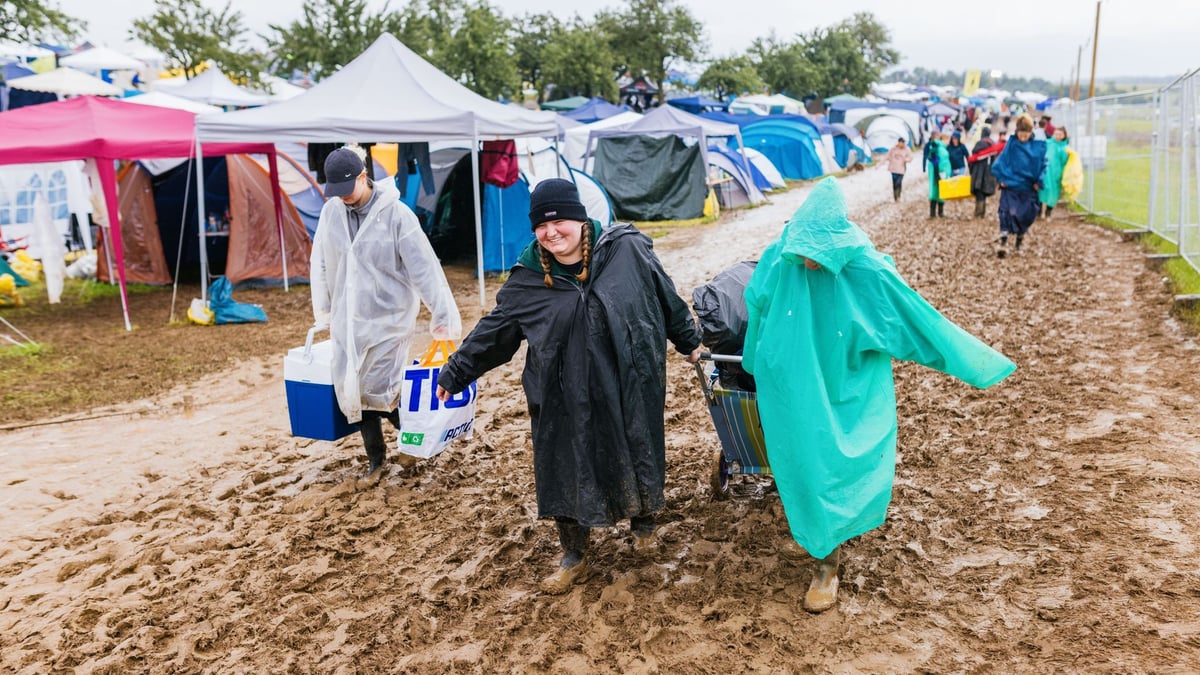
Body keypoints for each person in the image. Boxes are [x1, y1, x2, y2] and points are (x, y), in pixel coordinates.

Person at [741, 177, 1016, 613]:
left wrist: (975, 361)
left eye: (818, 252)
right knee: (797, 463)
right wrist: (756, 361)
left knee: (831, 465)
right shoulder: (781, 256)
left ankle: (826, 564)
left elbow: (918, 319)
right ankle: (815, 537)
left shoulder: (866, 270)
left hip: (845, 385)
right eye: (803, 251)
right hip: (791, 385)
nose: (808, 261)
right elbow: (757, 302)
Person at [434, 179, 703, 595]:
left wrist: (689, 340)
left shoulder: (625, 250)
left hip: (629, 380)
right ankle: (574, 554)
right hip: (564, 394)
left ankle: (644, 522)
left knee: (638, 443)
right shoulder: (527, 279)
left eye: (559, 220)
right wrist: (456, 372)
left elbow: (665, 297)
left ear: (579, 218)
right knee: (566, 463)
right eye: (541, 225)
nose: (551, 232)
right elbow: (496, 330)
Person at [310, 147, 462, 477]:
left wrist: (442, 316)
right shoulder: (331, 212)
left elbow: (424, 268)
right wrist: (323, 309)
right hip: (348, 320)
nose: (342, 198)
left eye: (347, 190)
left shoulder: (396, 215)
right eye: (335, 192)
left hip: (389, 319)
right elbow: (320, 261)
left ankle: (413, 444)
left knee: (385, 390)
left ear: (363, 177)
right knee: (356, 389)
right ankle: (376, 460)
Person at [990, 114, 1048, 257]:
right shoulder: (1012, 144)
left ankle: (1018, 243)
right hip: (1010, 185)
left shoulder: (1038, 147)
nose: (1023, 137)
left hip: (1028, 187)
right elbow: (1001, 161)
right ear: (1017, 132)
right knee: (1007, 213)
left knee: (1025, 215)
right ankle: (1003, 242)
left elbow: (1043, 165)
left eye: (1026, 134)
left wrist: (1039, 181)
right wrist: (1002, 178)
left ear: (1030, 133)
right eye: (1021, 134)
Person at [1039, 126, 1070, 220]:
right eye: (1056, 134)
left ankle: (1048, 211)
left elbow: (1065, 162)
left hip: (1057, 173)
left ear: (1064, 136)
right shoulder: (1048, 143)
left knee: (1054, 193)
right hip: (1045, 171)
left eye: (1060, 134)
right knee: (1042, 190)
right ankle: (1039, 211)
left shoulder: (1065, 148)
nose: (1057, 136)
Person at [969, 127, 999, 219]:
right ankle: (982, 212)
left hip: (979, 171)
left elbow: (973, 156)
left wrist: (971, 169)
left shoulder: (980, 143)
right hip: (989, 171)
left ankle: (978, 211)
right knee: (984, 191)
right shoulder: (993, 144)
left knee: (979, 191)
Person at [926, 133, 951, 219]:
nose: (949, 142)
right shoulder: (941, 150)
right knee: (940, 192)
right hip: (941, 174)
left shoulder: (936, 148)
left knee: (934, 192)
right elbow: (942, 163)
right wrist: (943, 172)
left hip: (934, 173)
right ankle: (939, 212)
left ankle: (933, 213)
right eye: (948, 140)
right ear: (943, 139)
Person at [884, 137, 912, 202]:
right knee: (894, 183)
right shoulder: (893, 149)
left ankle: (898, 195)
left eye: (903, 143)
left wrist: (906, 160)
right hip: (893, 169)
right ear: (898, 142)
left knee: (898, 182)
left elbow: (910, 157)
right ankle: (895, 197)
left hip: (901, 169)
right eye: (901, 142)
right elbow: (887, 156)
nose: (902, 144)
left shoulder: (906, 149)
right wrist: (879, 164)